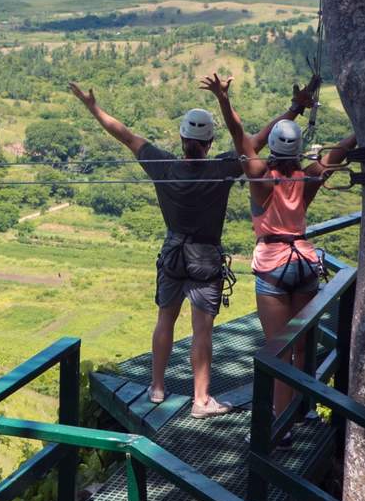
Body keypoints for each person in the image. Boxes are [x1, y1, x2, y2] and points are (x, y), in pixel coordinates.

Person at [69, 79, 316, 418]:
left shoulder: (163, 165)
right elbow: (254, 141)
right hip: (206, 258)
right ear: (210, 141)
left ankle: (157, 388)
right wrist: (294, 110)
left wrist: (93, 107)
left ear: (183, 139)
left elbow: (125, 135)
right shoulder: (222, 167)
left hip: (173, 252)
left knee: (164, 320)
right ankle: (201, 400)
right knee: (202, 330)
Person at [203, 74, 355, 435]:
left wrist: (224, 100)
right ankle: (308, 413)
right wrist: (360, 130)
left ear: (272, 147)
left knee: (280, 351)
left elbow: (241, 139)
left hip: (272, 264)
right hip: (304, 262)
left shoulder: (261, 178)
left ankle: (281, 427)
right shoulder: (308, 177)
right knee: (304, 348)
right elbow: (340, 151)